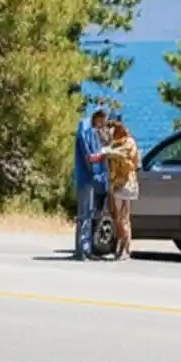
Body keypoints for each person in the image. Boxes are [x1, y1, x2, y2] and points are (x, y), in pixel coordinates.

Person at [101, 117, 140, 261]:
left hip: (124, 184)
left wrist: (107, 150)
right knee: (121, 217)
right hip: (118, 184)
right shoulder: (116, 143)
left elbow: (122, 155)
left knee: (121, 217)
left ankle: (124, 248)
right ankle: (124, 247)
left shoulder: (127, 143)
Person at [72, 107, 108, 260]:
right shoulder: (84, 129)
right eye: (102, 122)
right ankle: (82, 250)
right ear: (98, 117)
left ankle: (85, 249)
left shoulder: (91, 130)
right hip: (86, 178)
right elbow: (88, 156)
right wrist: (98, 160)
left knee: (89, 214)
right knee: (84, 214)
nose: (102, 125)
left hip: (93, 178)